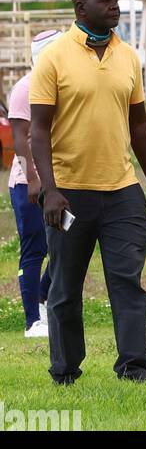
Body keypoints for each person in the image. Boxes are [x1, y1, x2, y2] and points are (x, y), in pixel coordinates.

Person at [29, 0, 146, 385]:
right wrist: (49, 190)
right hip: (69, 194)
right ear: (79, 5)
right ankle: (65, 370)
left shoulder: (128, 56)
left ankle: (134, 369)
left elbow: (139, 125)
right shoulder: (53, 58)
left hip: (122, 190)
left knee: (127, 282)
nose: (114, 4)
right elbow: (38, 129)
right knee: (66, 289)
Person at [7, 30, 60, 338]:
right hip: (28, 183)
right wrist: (31, 179)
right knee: (35, 248)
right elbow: (19, 141)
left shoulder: (60, 86)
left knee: (69, 244)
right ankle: (33, 321)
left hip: (58, 181)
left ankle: (43, 298)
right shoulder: (24, 89)